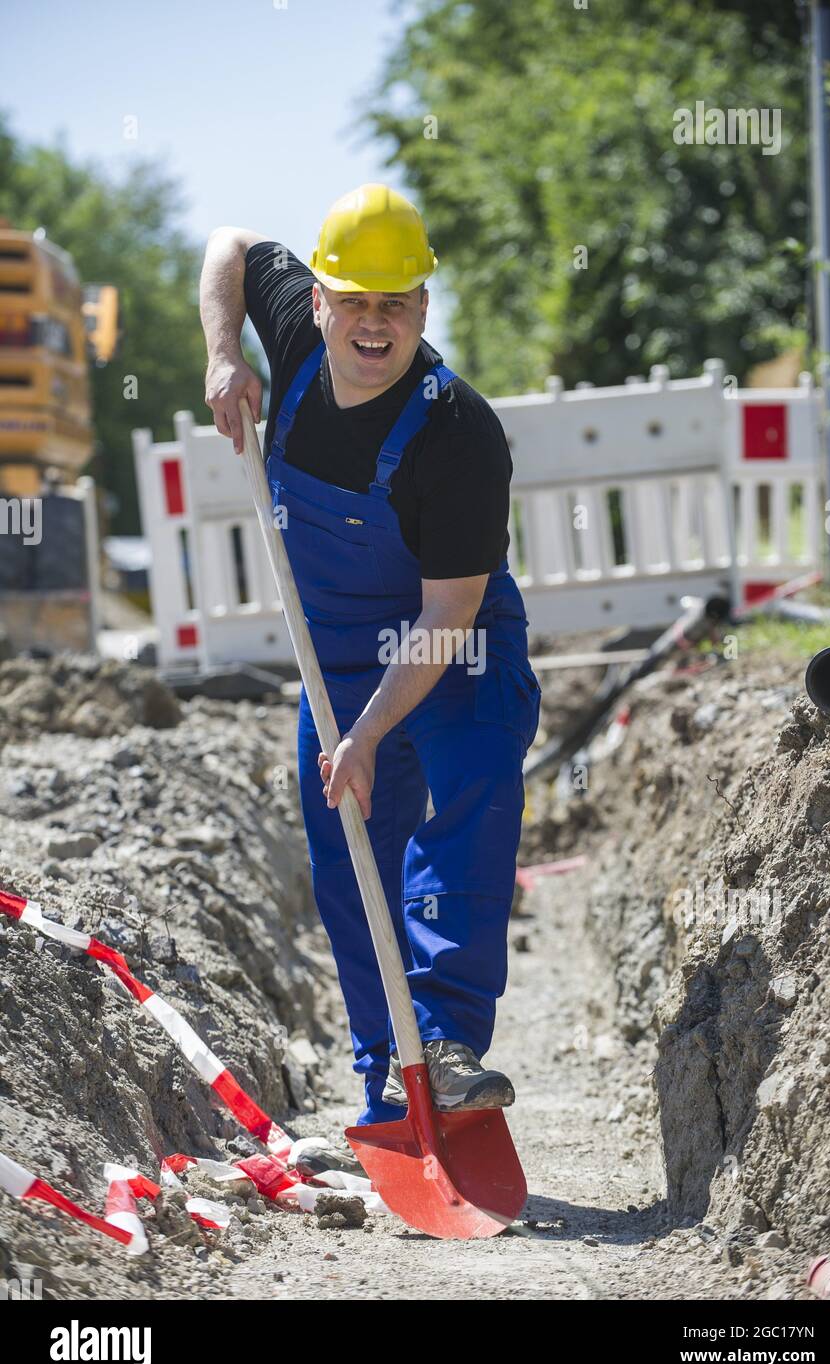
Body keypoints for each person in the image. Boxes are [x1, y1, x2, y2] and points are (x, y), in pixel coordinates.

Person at [200, 184, 541, 1174]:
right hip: (338, 652)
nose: (375, 322)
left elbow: (448, 613)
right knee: (351, 851)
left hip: (454, 640)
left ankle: (443, 1035)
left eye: (397, 301)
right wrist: (225, 357)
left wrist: (371, 730)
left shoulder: (458, 432)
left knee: (472, 789)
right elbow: (228, 239)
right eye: (355, 299)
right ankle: (389, 1077)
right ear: (317, 301)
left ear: (424, 307)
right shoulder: (294, 342)